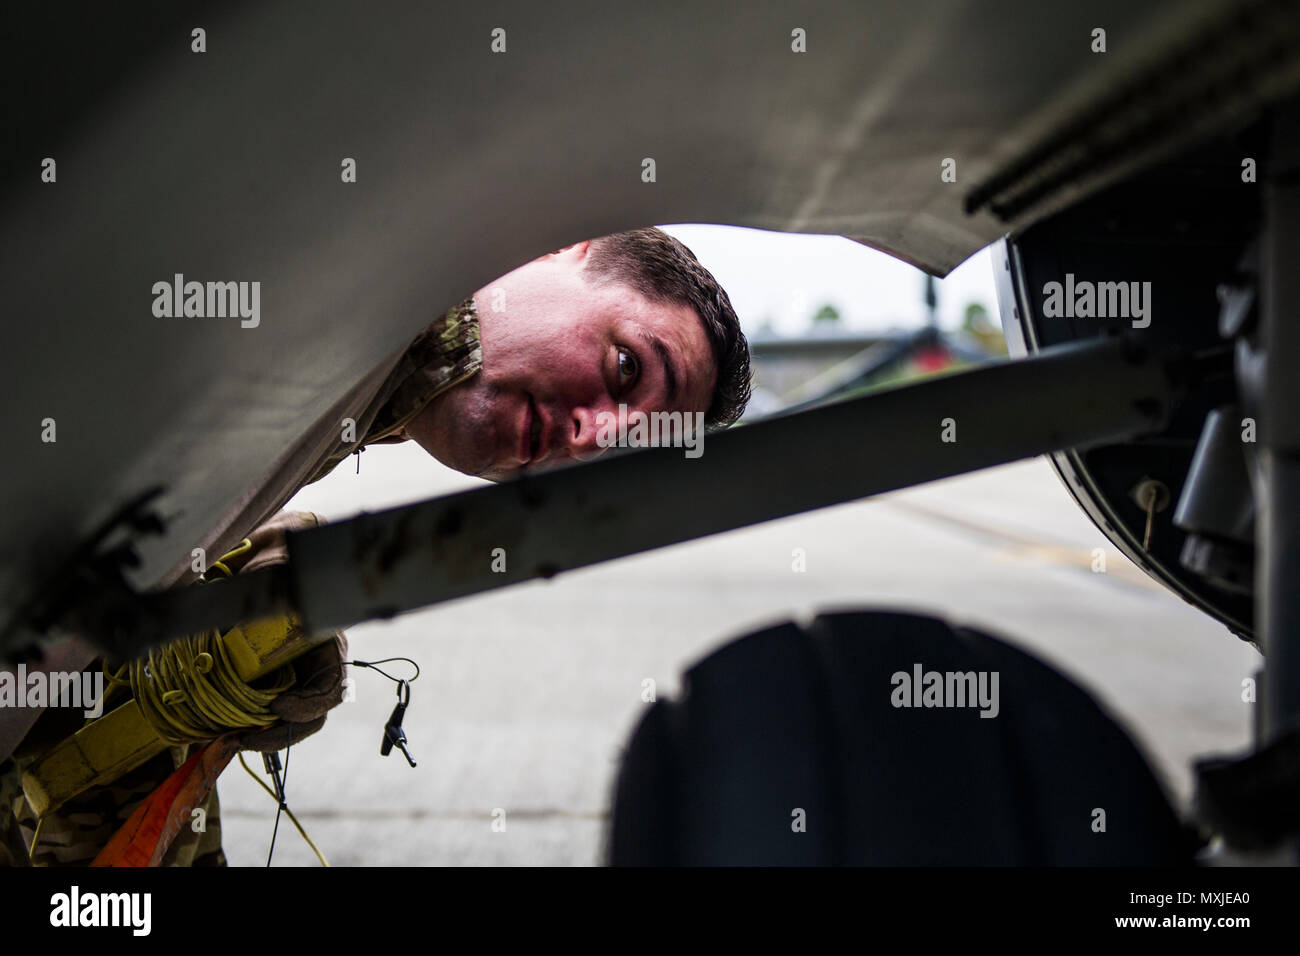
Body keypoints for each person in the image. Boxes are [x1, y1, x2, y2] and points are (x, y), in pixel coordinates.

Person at [0, 226, 752, 865]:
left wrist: (183, 616)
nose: (594, 436)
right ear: (562, 246)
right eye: (624, 369)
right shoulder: (334, 269)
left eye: (627, 444)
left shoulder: (345, 388)